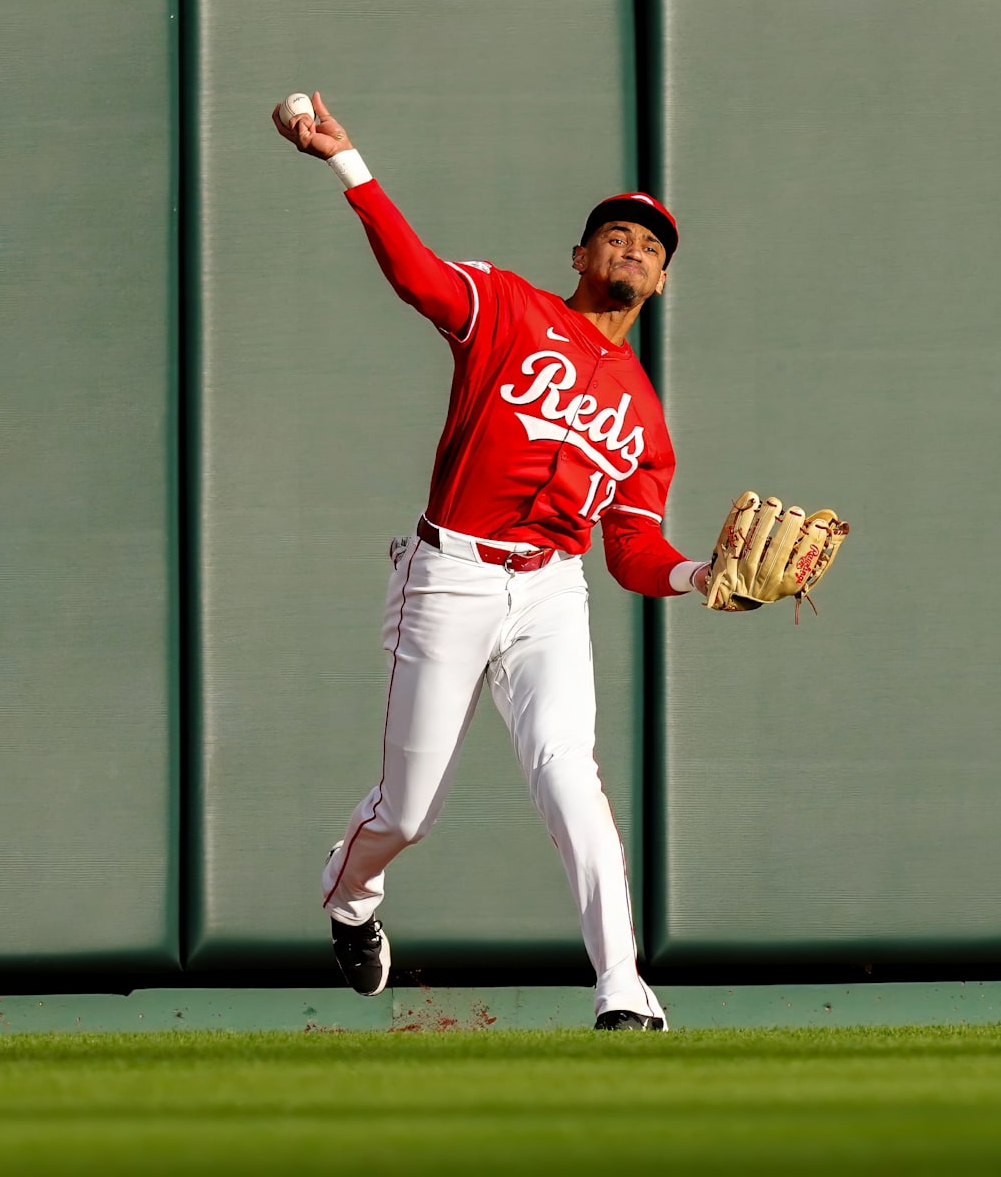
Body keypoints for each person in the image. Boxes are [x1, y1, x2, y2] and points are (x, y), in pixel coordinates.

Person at [273, 92, 710, 1031]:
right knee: (406, 811)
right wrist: (352, 166)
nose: (633, 249)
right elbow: (418, 276)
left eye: (650, 246)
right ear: (580, 257)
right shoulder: (507, 308)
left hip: (552, 590)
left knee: (569, 776)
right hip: (451, 576)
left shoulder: (644, 416)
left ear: (663, 282)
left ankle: (624, 988)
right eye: (616, 236)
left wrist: (698, 577)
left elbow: (634, 550)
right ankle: (351, 899)